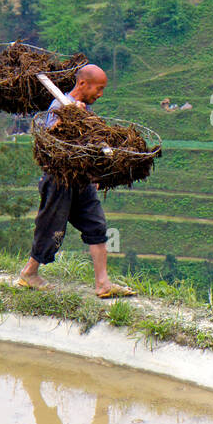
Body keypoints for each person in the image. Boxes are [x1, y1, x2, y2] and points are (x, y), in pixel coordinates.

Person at [17, 63, 134, 298]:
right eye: (98, 89)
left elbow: (86, 147)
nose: (100, 94)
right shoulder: (60, 106)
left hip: (81, 181)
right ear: (82, 84)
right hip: (59, 180)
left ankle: (103, 283)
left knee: (97, 225)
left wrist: (94, 175)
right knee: (51, 228)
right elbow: (50, 138)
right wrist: (68, 118)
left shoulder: (85, 112)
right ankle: (29, 273)